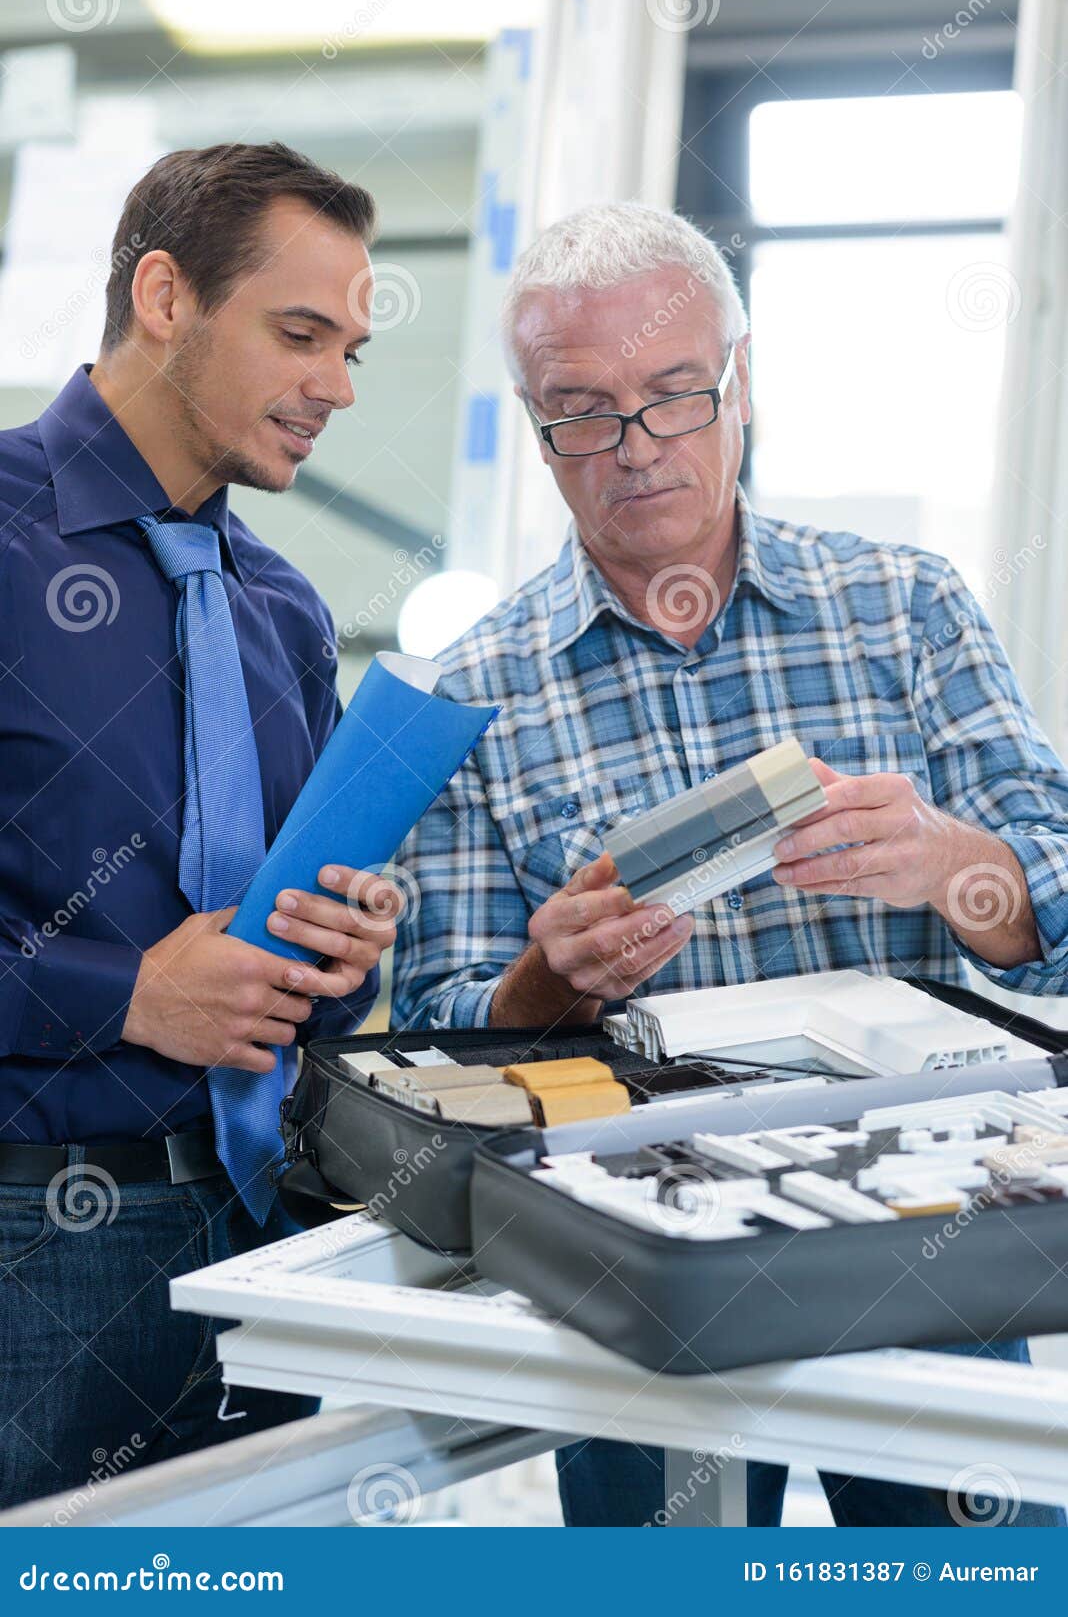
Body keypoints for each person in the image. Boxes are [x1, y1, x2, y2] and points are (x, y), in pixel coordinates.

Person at [391, 200, 1068, 1527]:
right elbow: (436, 1038)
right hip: (637, 1261)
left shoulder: (907, 608)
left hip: (922, 1225)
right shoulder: (471, 695)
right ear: (537, 428)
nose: (636, 448)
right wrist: (546, 979)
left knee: (970, 1582)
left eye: (674, 395)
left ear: (742, 381)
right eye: (583, 411)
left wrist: (952, 864)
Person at [0, 142, 401, 1510]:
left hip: (263, 1231)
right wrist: (128, 995)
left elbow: (295, 980)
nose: (336, 388)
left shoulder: (280, 610)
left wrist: (344, 954)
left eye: (350, 350)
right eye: (301, 335)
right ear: (165, 296)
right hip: (36, 1238)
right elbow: (158, 988)